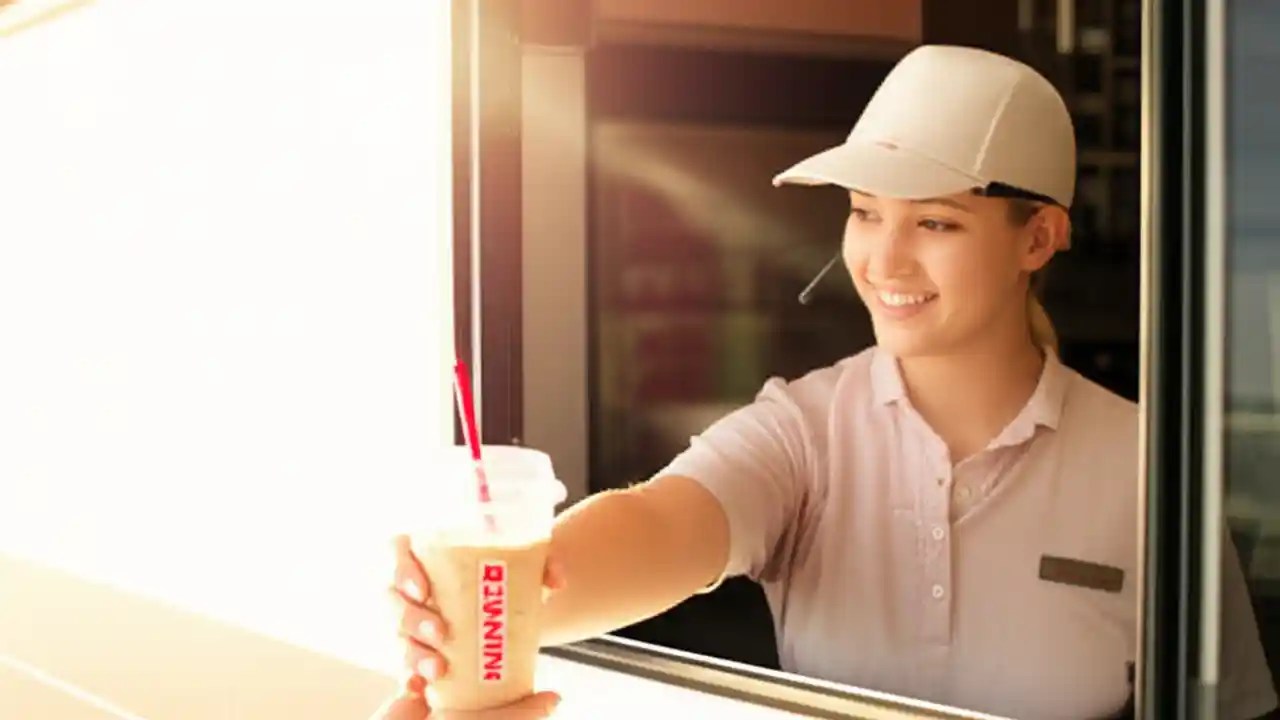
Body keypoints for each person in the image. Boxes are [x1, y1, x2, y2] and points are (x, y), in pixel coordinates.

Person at [376, 45, 1278, 719]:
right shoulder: (803, 433)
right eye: (862, 213)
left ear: (1037, 239)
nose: (883, 259)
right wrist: (508, 587)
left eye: (934, 222)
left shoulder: (1148, 467)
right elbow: (663, 520)